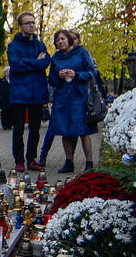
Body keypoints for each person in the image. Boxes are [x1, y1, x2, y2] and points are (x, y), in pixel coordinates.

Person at [40, 28, 97, 172]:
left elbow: (92, 73)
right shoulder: (56, 57)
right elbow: (51, 79)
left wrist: (76, 74)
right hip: (62, 99)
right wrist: (58, 77)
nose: (60, 42)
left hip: (79, 98)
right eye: (57, 40)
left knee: (83, 131)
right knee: (64, 131)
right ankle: (68, 161)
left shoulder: (82, 53)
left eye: (62, 39)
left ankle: (89, 163)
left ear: (69, 40)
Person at [6, 11, 49, 171]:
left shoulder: (40, 44)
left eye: (33, 22)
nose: (32, 25)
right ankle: (19, 161)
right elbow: (16, 65)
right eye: (28, 23)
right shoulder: (13, 46)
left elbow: (45, 62)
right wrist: (35, 63)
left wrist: (28, 63)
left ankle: (31, 159)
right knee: (18, 129)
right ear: (20, 26)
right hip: (19, 94)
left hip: (37, 93)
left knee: (35, 129)